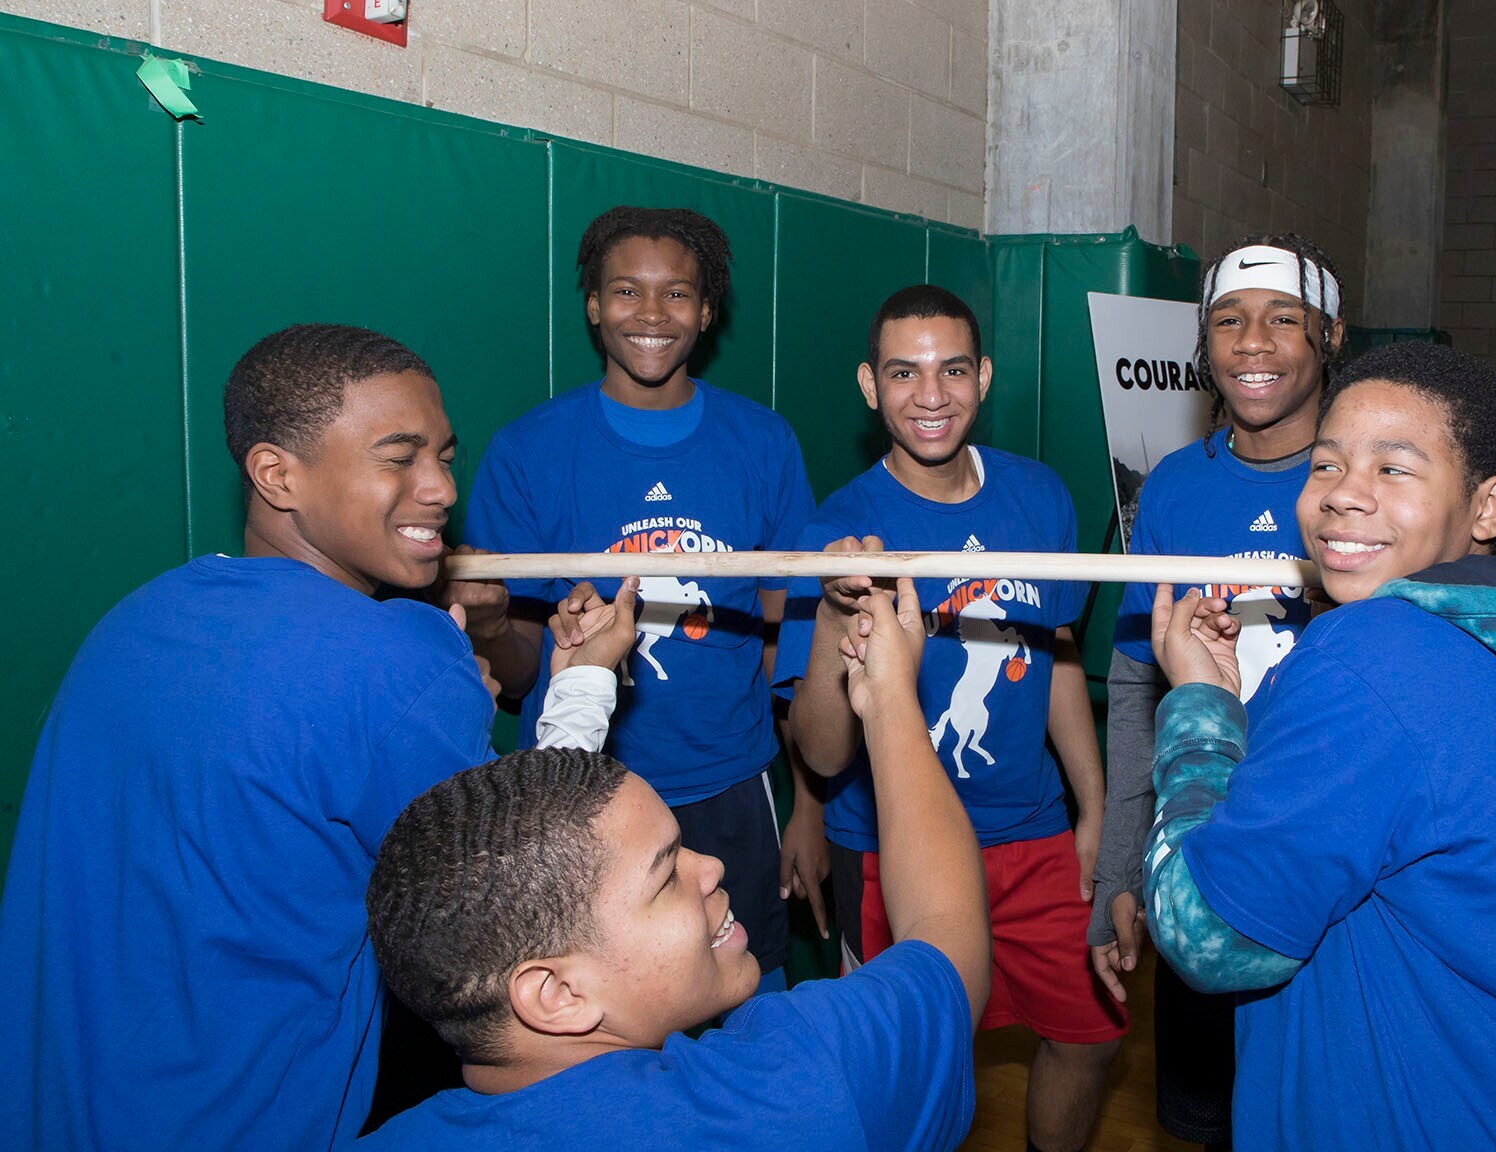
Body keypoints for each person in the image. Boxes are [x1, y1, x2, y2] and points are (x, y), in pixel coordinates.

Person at [1144, 341, 1496, 1149]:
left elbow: (1211, 937)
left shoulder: (1375, 655)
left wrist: (1199, 708)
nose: (1343, 495)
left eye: (1393, 468)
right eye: (1325, 465)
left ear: (1489, 506)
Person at [0, 325, 512, 1149]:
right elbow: (533, 900)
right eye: (399, 457)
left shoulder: (136, 619)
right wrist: (583, 683)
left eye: (446, 457)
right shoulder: (397, 660)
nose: (441, 488)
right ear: (276, 474)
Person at [356, 582, 988, 1151]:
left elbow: (542, 874)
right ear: (556, 995)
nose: (710, 867)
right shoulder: (794, 1092)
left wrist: (580, 690)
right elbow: (946, 934)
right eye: (664, 878)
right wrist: (889, 701)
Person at [777, 285, 1123, 1152]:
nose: (930, 396)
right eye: (904, 373)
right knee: (907, 1071)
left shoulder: (1040, 497)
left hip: (1031, 831)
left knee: (1091, 1035)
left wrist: (1094, 806)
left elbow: (1055, 659)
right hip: (889, 845)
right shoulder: (838, 529)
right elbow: (823, 752)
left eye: (952, 370)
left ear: (984, 376)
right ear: (870, 385)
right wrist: (834, 612)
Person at [453, 206, 817, 995]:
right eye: (626, 290)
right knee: (603, 1019)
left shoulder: (763, 444)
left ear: (707, 311)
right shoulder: (527, 451)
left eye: (677, 293)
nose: (652, 313)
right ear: (593, 305)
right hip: (584, 796)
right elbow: (520, 674)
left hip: (731, 782)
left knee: (750, 1001)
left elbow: (785, 651)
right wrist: (490, 623)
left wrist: (810, 808)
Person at [1091, 234, 1345, 1149]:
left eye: (1284, 319)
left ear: (1330, 335)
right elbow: (1136, 690)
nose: (1253, 343)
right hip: (1203, 853)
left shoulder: (1366, 485)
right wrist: (1121, 868)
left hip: (1333, 867)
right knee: (1206, 1123)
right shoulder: (1172, 487)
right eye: (1230, 322)